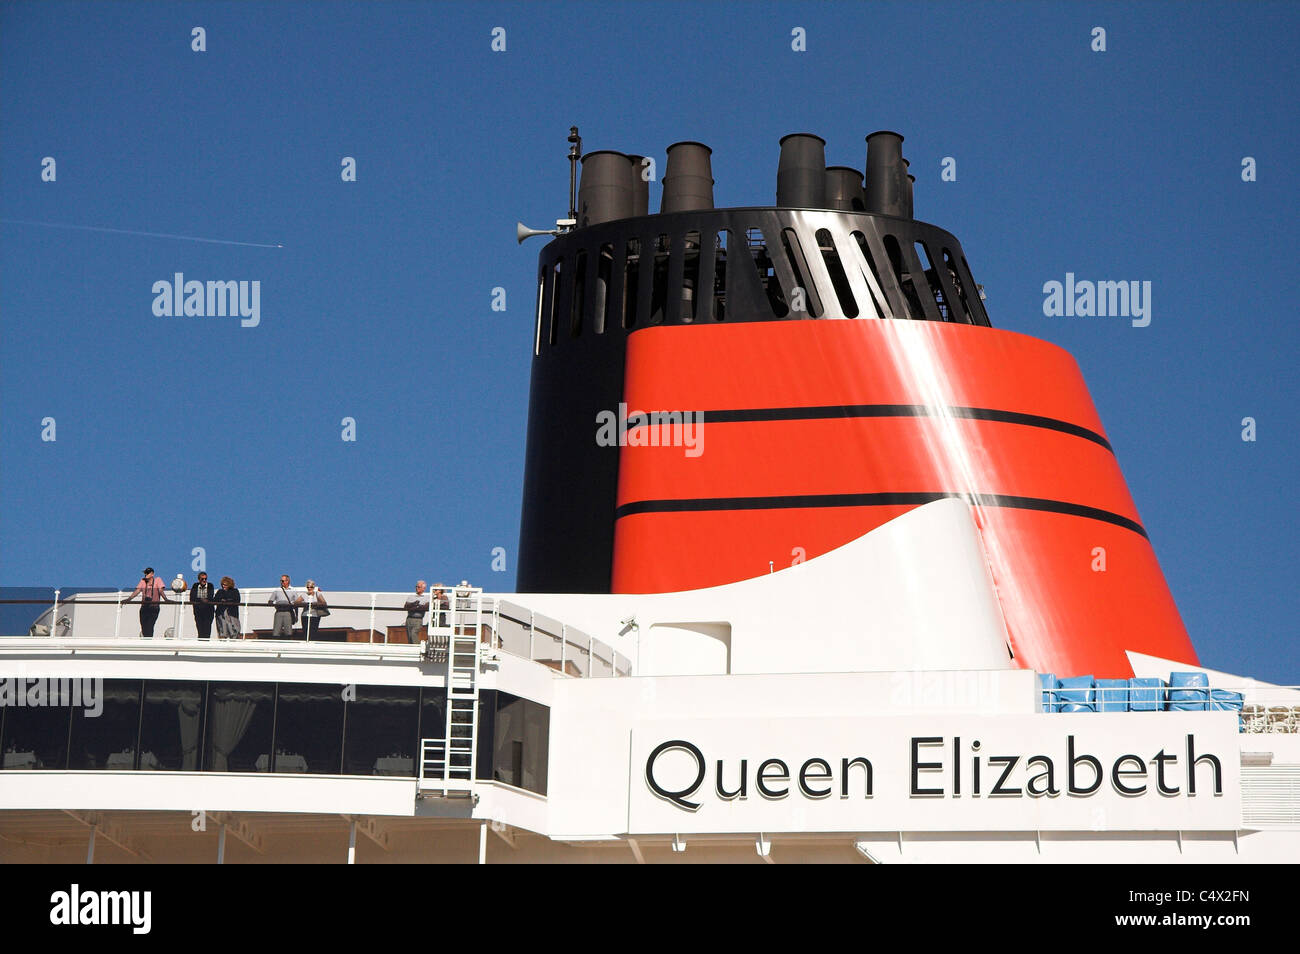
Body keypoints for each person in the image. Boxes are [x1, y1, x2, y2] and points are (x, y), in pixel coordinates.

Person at [123, 567, 170, 637]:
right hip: (144, 607)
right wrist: (128, 599)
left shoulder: (157, 580)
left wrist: (165, 599)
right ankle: (146, 638)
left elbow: (160, 590)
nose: (146, 575)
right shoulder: (143, 581)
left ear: (152, 574)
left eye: (147, 573)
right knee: (143, 626)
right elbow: (137, 591)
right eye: (145, 573)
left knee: (150, 625)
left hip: (153, 607)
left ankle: (149, 639)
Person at [190, 572, 215, 639]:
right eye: (202, 579)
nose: (204, 580)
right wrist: (202, 599)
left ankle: (206, 643)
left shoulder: (210, 585)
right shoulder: (195, 586)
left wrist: (200, 600)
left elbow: (210, 597)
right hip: (198, 611)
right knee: (200, 628)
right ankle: (200, 641)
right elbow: (192, 598)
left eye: (205, 579)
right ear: (199, 579)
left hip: (208, 611)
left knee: (207, 628)